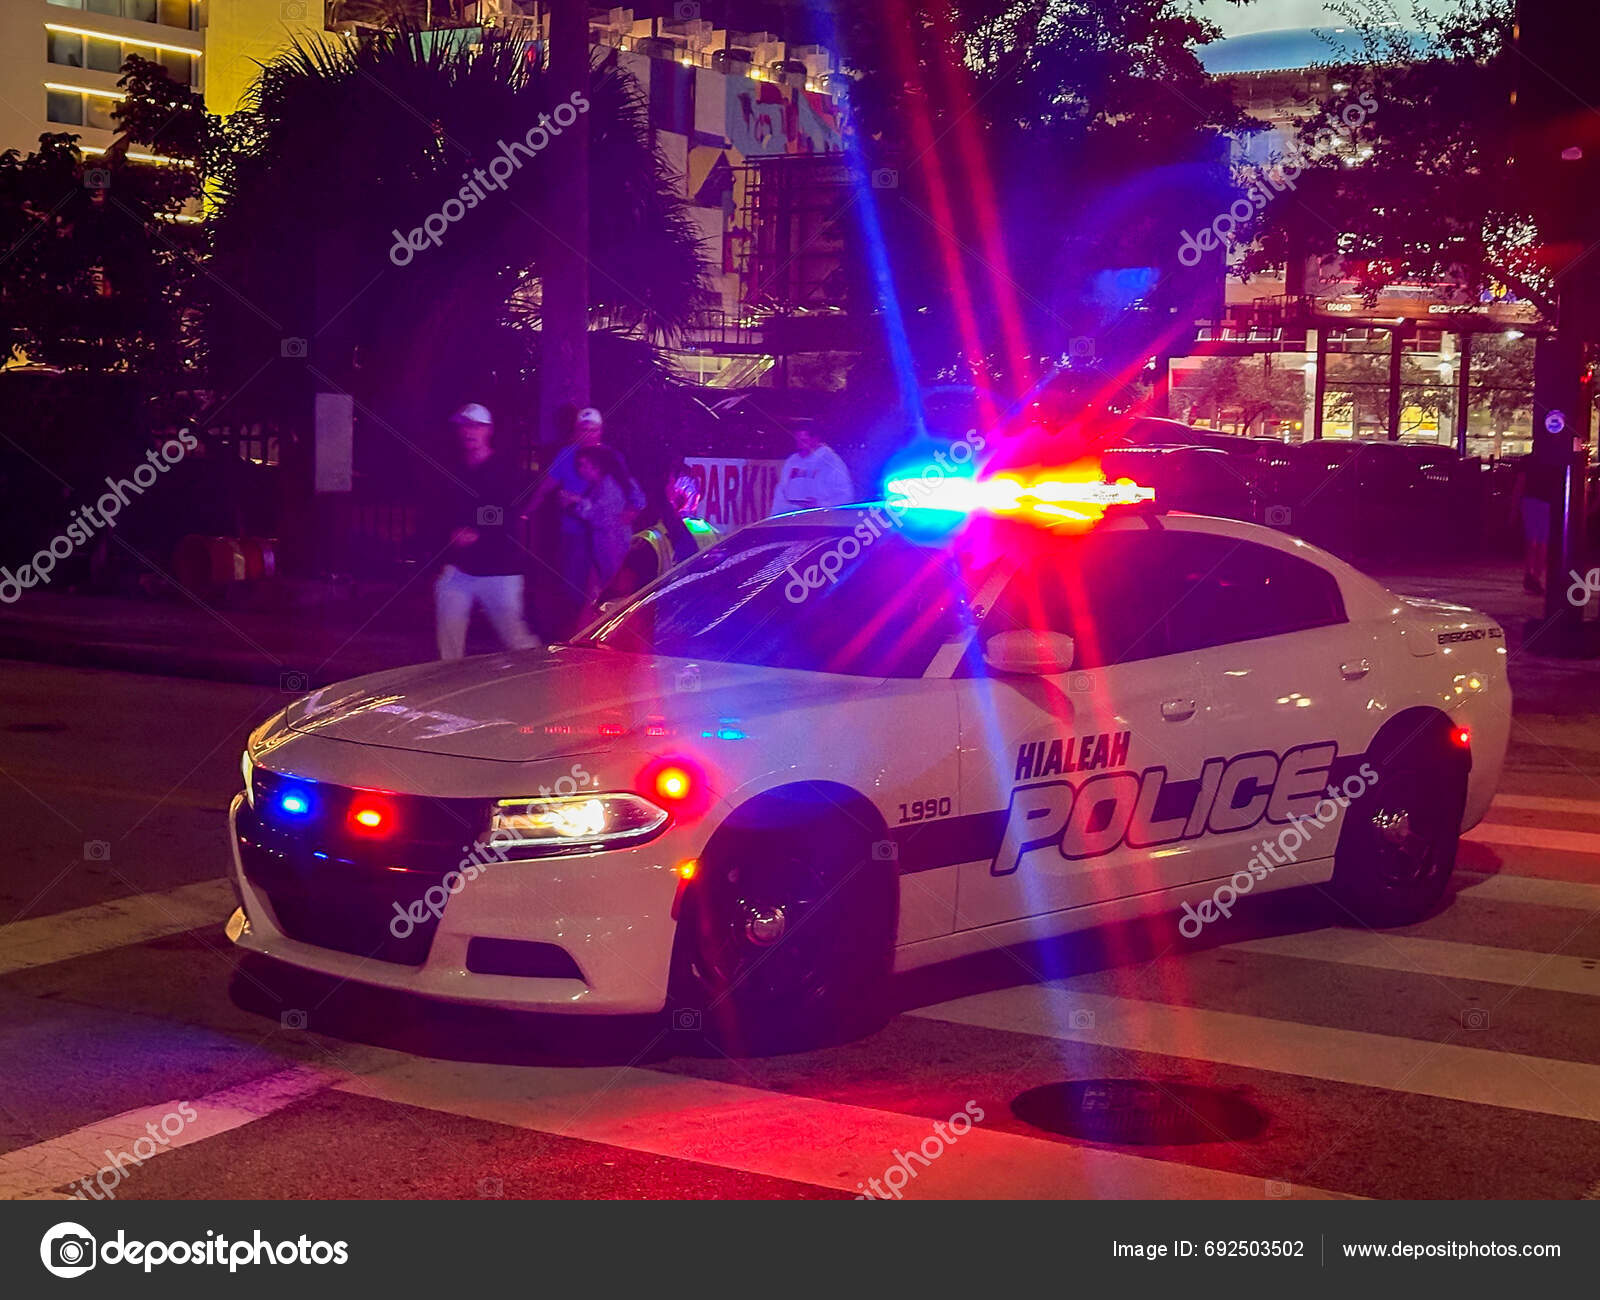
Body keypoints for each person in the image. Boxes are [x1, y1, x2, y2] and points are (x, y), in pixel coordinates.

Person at [432, 403, 540, 659]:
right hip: (460, 569)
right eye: (465, 425)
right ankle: (449, 684)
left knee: (515, 637)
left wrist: (478, 530)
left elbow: (508, 510)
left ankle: (540, 674)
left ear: (488, 430)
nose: (470, 431)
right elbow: (442, 510)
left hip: (499, 570)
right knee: (448, 636)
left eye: (476, 426)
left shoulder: (504, 469)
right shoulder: (455, 469)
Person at [531, 405, 644, 636]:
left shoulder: (612, 460)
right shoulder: (566, 455)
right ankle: (581, 637)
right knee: (578, 588)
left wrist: (632, 510)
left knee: (605, 588)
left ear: (600, 431)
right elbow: (545, 488)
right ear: (576, 430)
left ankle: (599, 638)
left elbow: (631, 495)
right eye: (583, 429)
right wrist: (526, 511)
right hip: (576, 534)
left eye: (593, 430)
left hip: (606, 537)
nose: (588, 434)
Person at [563, 445, 634, 597]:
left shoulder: (609, 485)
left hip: (613, 542)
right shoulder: (600, 485)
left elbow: (603, 518)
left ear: (596, 467)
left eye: (583, 465)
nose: (580, 469)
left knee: (614, 584)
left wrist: (577, 501)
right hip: (606, 541)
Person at [770, 425, 853, 514]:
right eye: (797, 441)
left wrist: (821, 505)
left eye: (804, 441)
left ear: (815, 440)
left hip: (820, 518)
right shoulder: (792, 461)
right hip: (792, 518)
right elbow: (781, 491)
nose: (799, 445)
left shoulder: (831, 461)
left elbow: (846, 496)